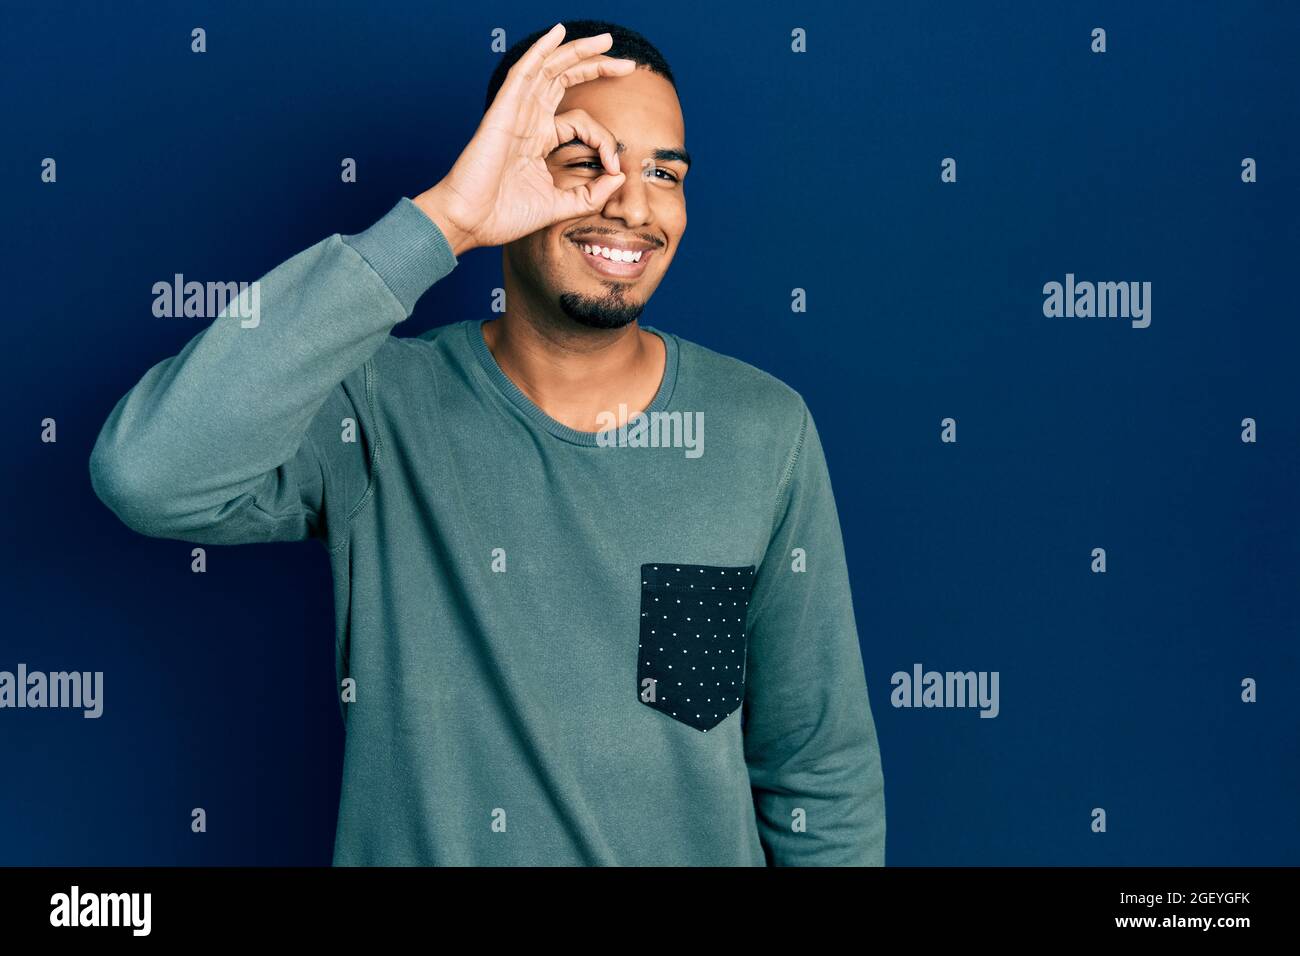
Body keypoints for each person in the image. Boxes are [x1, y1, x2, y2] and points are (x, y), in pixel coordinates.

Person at [89, 19, 886, 866]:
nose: (633, 203)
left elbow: (818, 770)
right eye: (588, 161)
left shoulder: (763, 430)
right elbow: (146, 473)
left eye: (666, 173)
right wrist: (445, 222)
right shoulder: (376, 403)